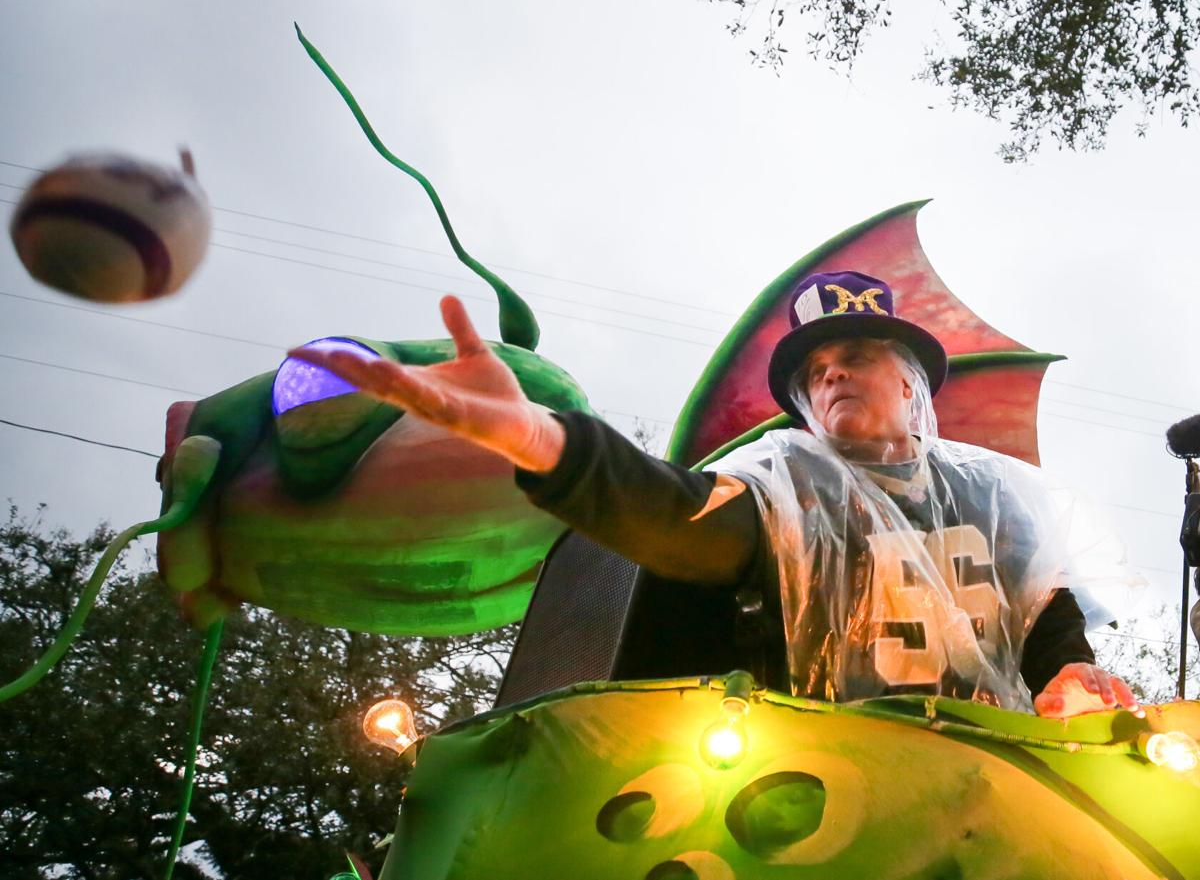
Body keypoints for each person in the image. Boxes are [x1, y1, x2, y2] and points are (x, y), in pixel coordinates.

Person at [289, 270, 1142, 719]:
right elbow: (674, 520)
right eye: (813, 369)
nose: (831, 370)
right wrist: (539, 438)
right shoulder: (787, 481)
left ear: (914, 377)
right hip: (813, 787)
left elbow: (1049, 631)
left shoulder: (994, 494)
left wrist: (1074, 675)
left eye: (856, 353)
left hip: (991, 781)